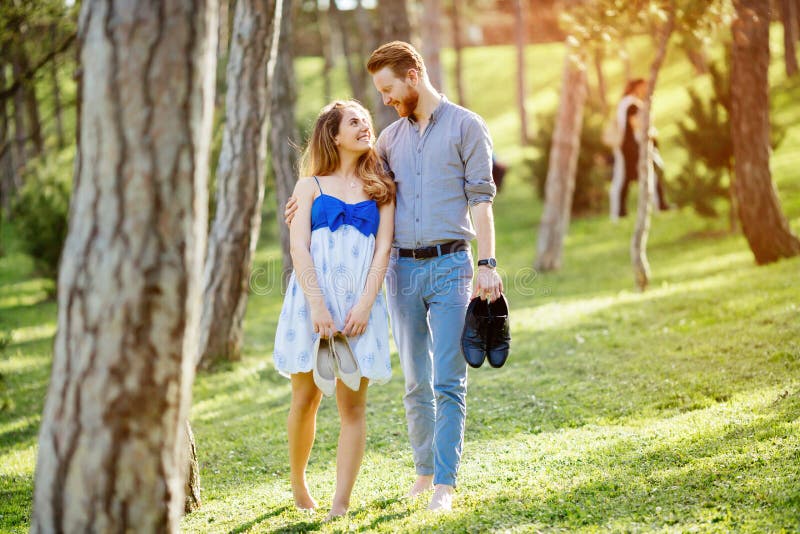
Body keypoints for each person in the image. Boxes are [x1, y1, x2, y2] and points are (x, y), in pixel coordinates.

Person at [286, 41, 502, 512]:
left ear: (413, 75)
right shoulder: (388, 141)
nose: (383, 100)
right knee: (415, 383)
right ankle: (424, 474)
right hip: (401, 272)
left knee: (448, 379)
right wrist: (304, 204)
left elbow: (482, 200)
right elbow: (351, 187)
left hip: (451, 266)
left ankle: (445, 483)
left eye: (387, 89)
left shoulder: (467, 126)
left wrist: (487, 263)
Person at [273, 100, 395, 520]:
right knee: (305, 397)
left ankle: (340, 504)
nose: (365, 126)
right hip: (314, 301)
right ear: (334, 135)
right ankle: (299, 483)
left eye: (366, 120)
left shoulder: (381, 187)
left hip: (359, 305)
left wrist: (364, 304)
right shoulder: (309, 187)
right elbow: (298, 248)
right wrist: (317, 306)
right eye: (354, 122)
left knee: (353, 407)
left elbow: (382, 250)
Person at [609, 78, 669, 220]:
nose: (645, 90)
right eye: (643, 87)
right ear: (636, 87)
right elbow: (635, 124)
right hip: (632, 146)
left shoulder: (626, 103)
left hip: (630, 145)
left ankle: (621, 211)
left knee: (626, 177)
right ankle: (620, 211)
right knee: (628, 177)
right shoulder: (632, 104)